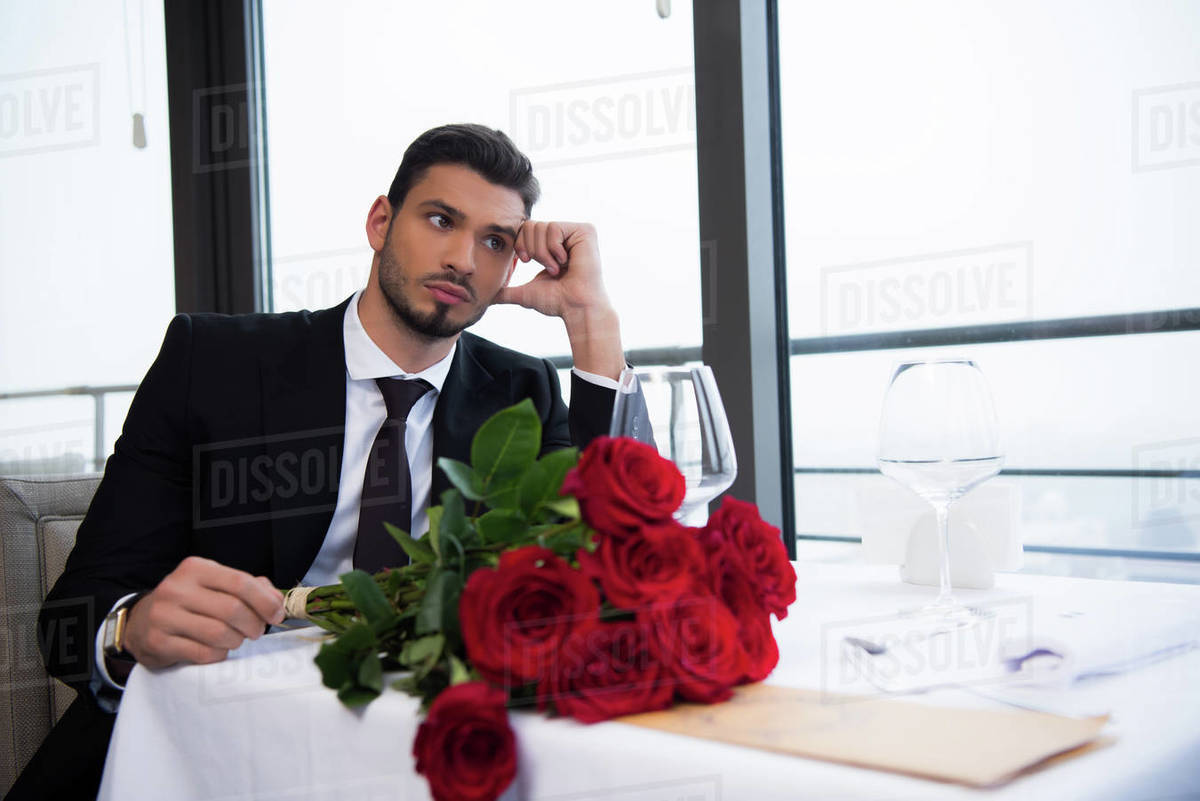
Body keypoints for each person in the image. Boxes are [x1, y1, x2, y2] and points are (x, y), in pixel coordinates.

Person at [8, 124, 625, 801]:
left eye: (495, 242)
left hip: (414, 751)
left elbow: (616, 575)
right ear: (380, 221)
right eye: (441, 219)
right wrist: (131, 627)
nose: (463, 259)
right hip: (208, 752)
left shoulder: (523, 390)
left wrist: (591, 321)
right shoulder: (212, 363)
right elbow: (69, 619)